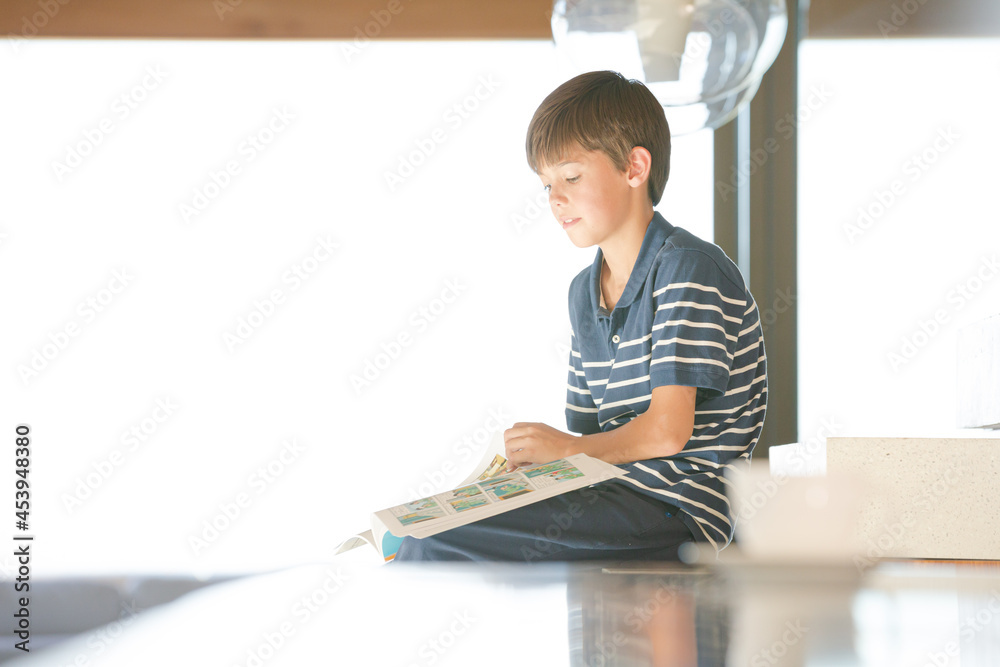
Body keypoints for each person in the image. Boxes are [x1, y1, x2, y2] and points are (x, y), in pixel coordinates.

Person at [393, 70, 767, 562]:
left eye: (570, 177)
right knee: (409, 535)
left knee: (430, 545)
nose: (555, 199)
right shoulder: (582, 293)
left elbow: (665, 431)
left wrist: (565, 451)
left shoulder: (686, 268)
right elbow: (592, 438)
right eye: (546, 184)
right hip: (609, 497)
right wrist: (533, 472)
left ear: (635, 167)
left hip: (678, 509)